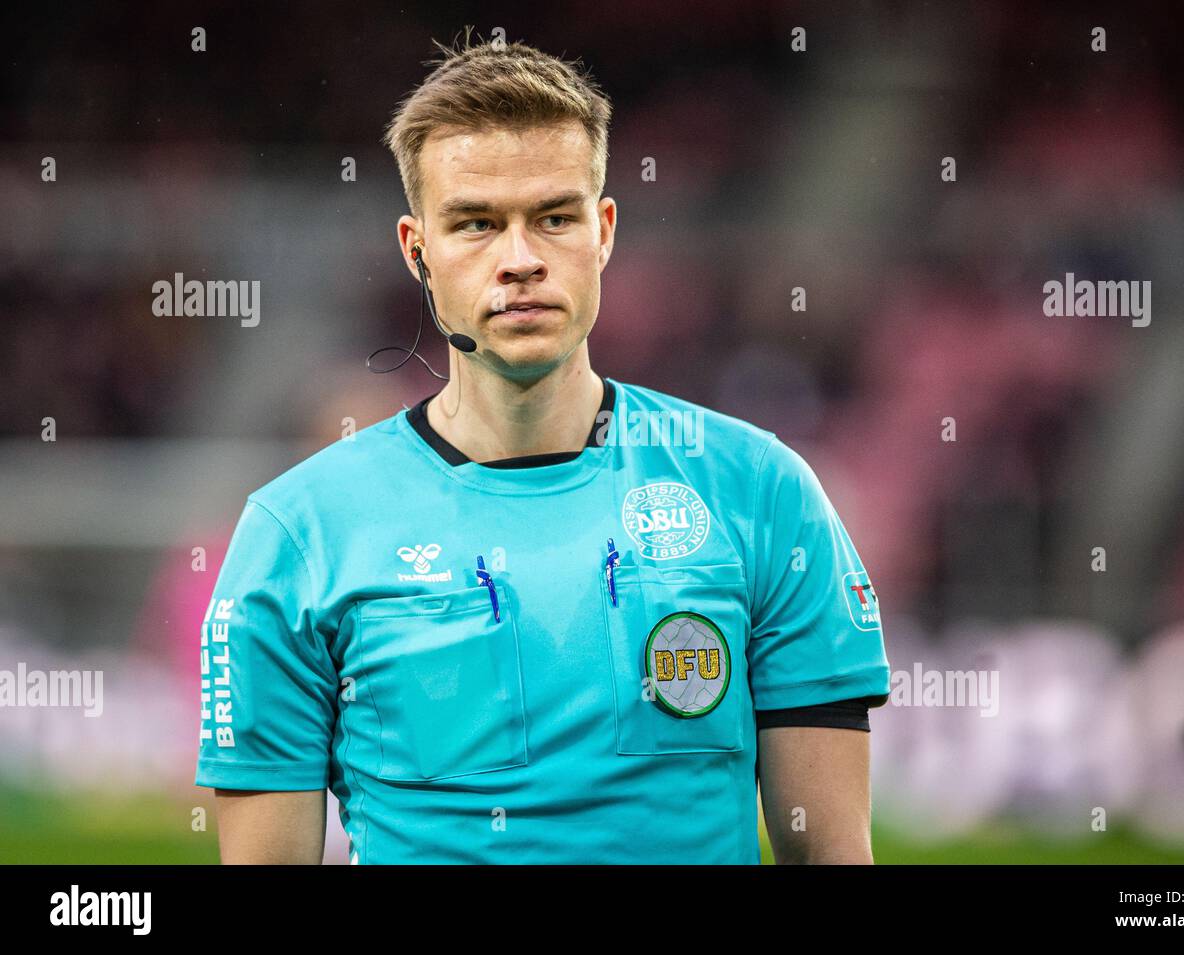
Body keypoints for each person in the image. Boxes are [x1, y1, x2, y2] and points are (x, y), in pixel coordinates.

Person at [195, 33, 890, 864]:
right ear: (419, 251)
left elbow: (833, 853)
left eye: (553, 218)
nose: (520, 259)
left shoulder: (761, 492)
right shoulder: (297, 534)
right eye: (477, 224)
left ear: (602, 231)